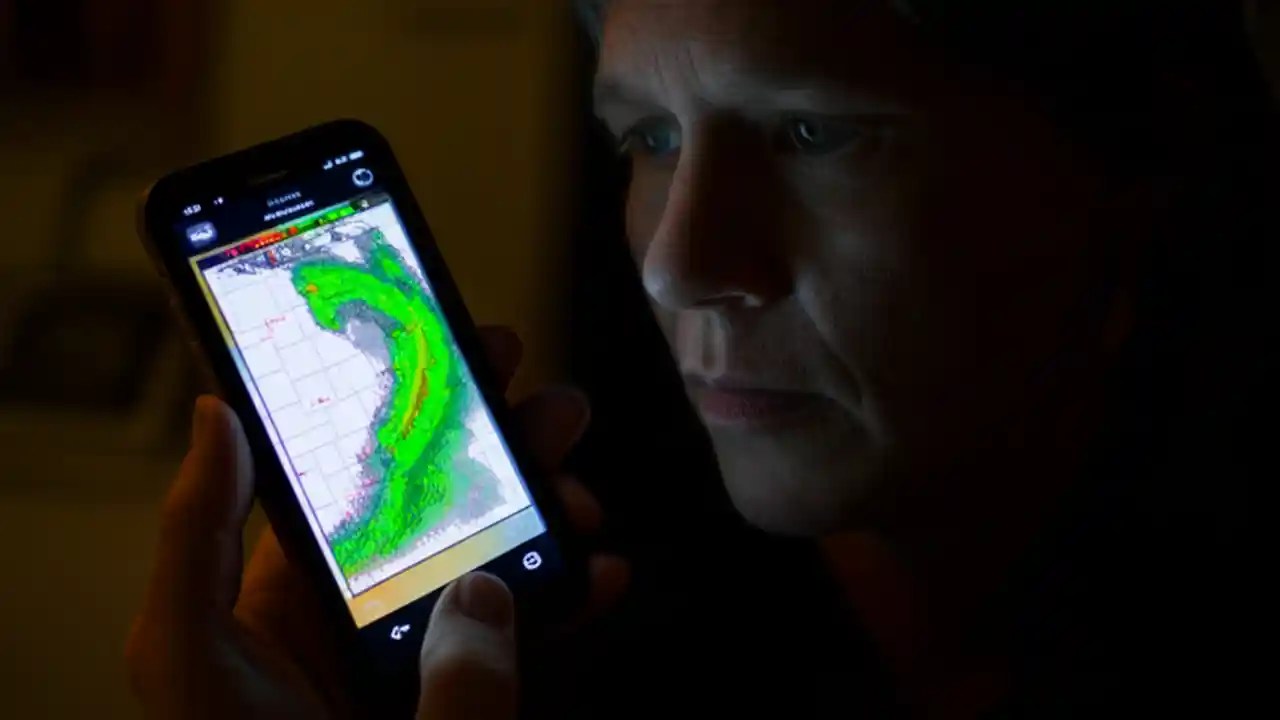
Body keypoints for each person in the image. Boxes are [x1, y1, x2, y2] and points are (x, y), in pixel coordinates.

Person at [126, 1, 1273, 718]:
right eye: (650, 139)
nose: (677, 264)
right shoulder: (589, 638)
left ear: (1109, 187)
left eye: (813, 133)